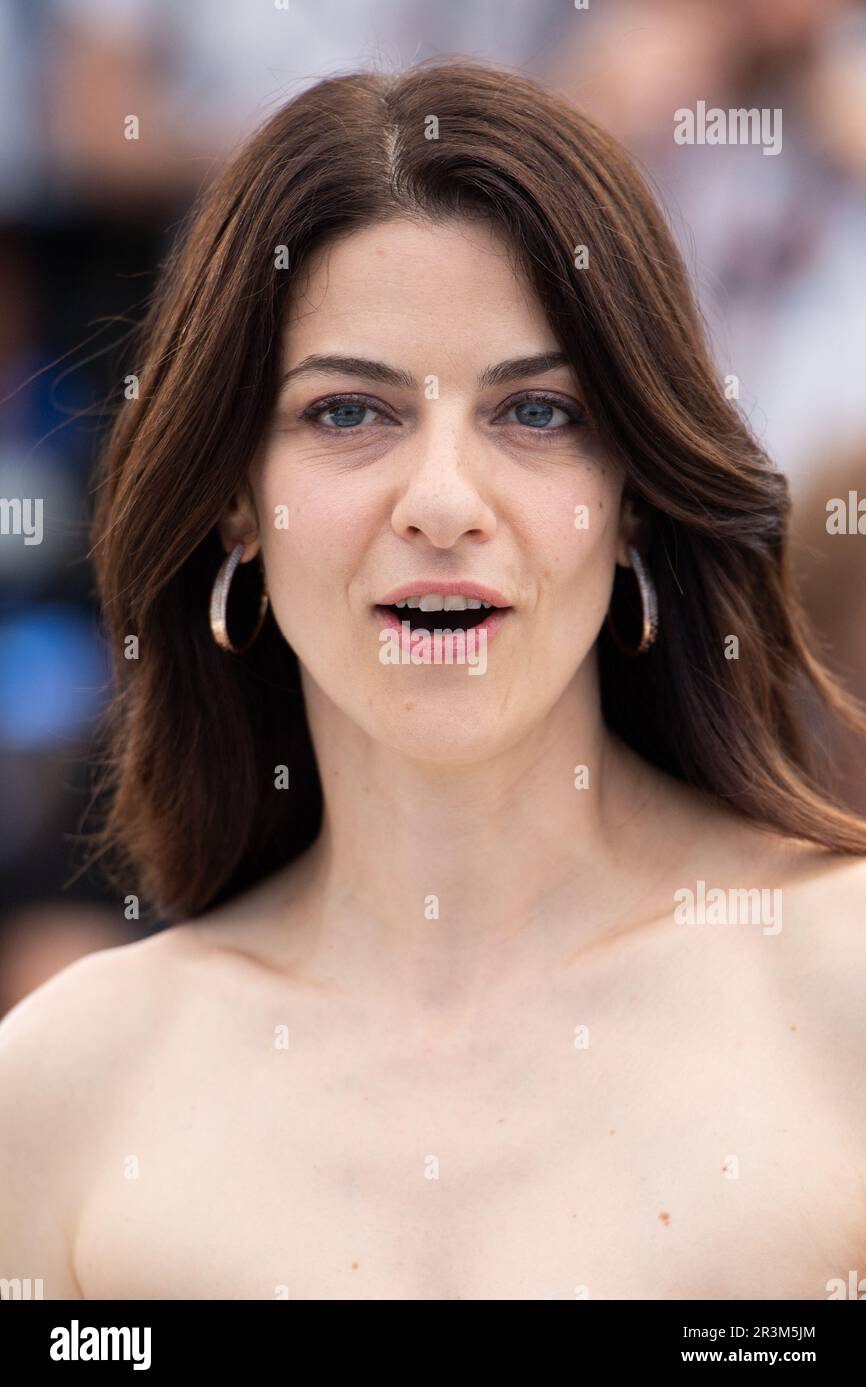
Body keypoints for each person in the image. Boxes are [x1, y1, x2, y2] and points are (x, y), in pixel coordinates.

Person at [1, 61, 865, 1302]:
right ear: (235, 500)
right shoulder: (62, 1091)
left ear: (631, 497)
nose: (445, 502)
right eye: (350, 414)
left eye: (537, 413)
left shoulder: (836, 992)